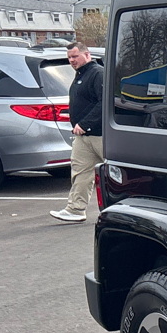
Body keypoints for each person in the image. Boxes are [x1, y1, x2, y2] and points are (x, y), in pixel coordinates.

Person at [51, 43, 104, 223]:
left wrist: (85, 123)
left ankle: (125, 209)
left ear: (87, 54)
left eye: (75, 56)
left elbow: (104, 103)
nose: (72, 61)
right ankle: (75, 209)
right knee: (80, 173)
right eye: (69, 58)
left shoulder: (97, 73)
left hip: (101, 135)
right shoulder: (80, 75)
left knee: (116, 173)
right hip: (83, 137)